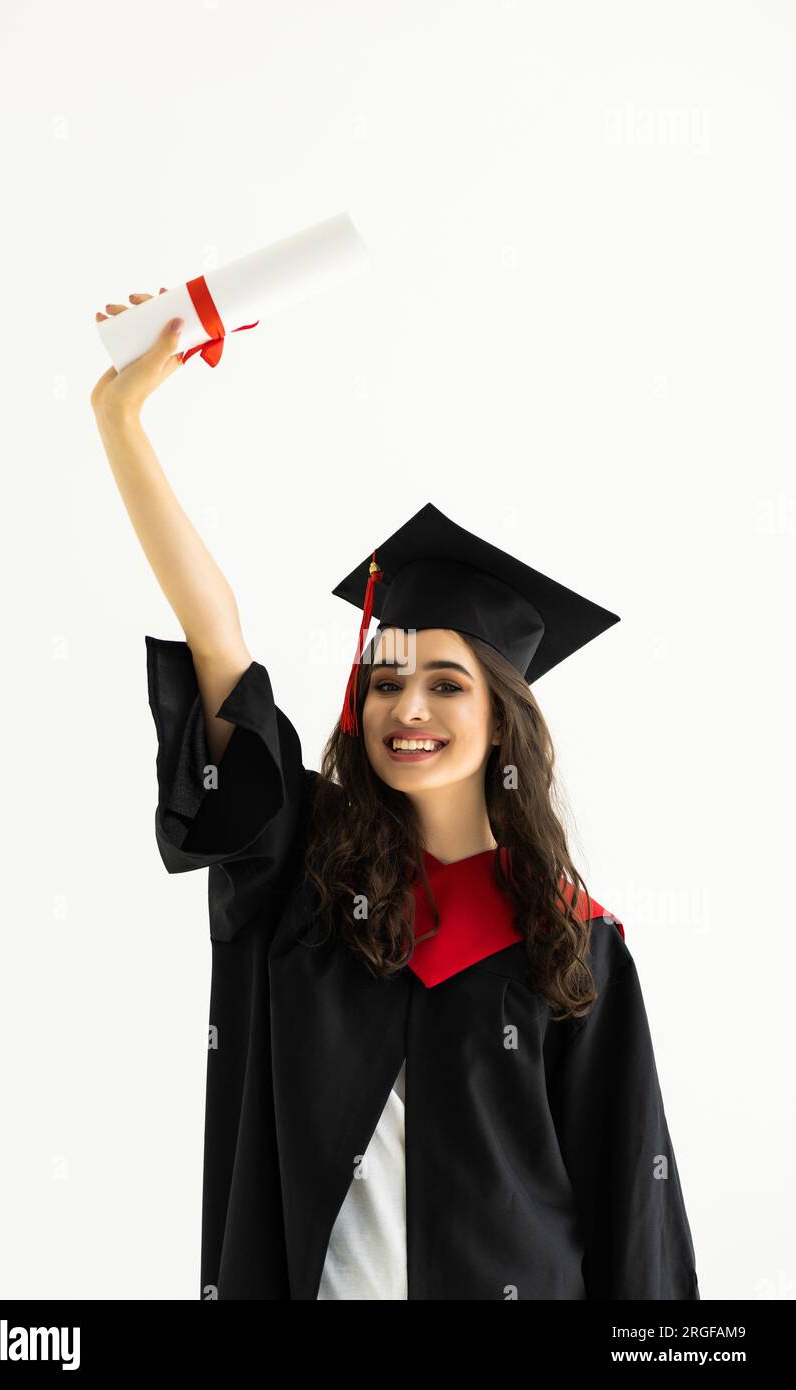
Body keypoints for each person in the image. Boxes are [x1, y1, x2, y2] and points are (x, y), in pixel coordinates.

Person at [91, 296, 701, 1301]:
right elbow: (217, 639)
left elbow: (635, 1216)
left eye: (446, 683)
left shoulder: (571, 943)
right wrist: (123, 419)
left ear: (501, 718)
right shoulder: (307, 873)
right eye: (384, 680)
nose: (406, 706)